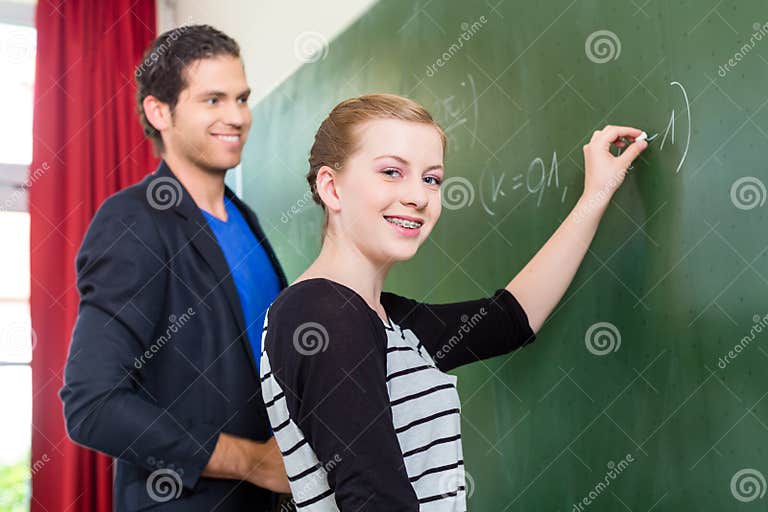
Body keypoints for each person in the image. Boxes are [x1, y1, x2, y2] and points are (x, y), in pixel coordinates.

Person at [259, 94, 648, 511]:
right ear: (331, 187)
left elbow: (510, 319)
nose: (418, 197)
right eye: (392, 172)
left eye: (431, 179)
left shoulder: (384, 320)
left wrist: (597, 194)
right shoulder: (322, 315)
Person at [60, 25, 290, 510]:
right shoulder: (133, 220)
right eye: (213, 100)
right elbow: (92, 405)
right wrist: (253, 461)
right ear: (158, 111)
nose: (237, 116)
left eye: (242, 98)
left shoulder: (244, 218)